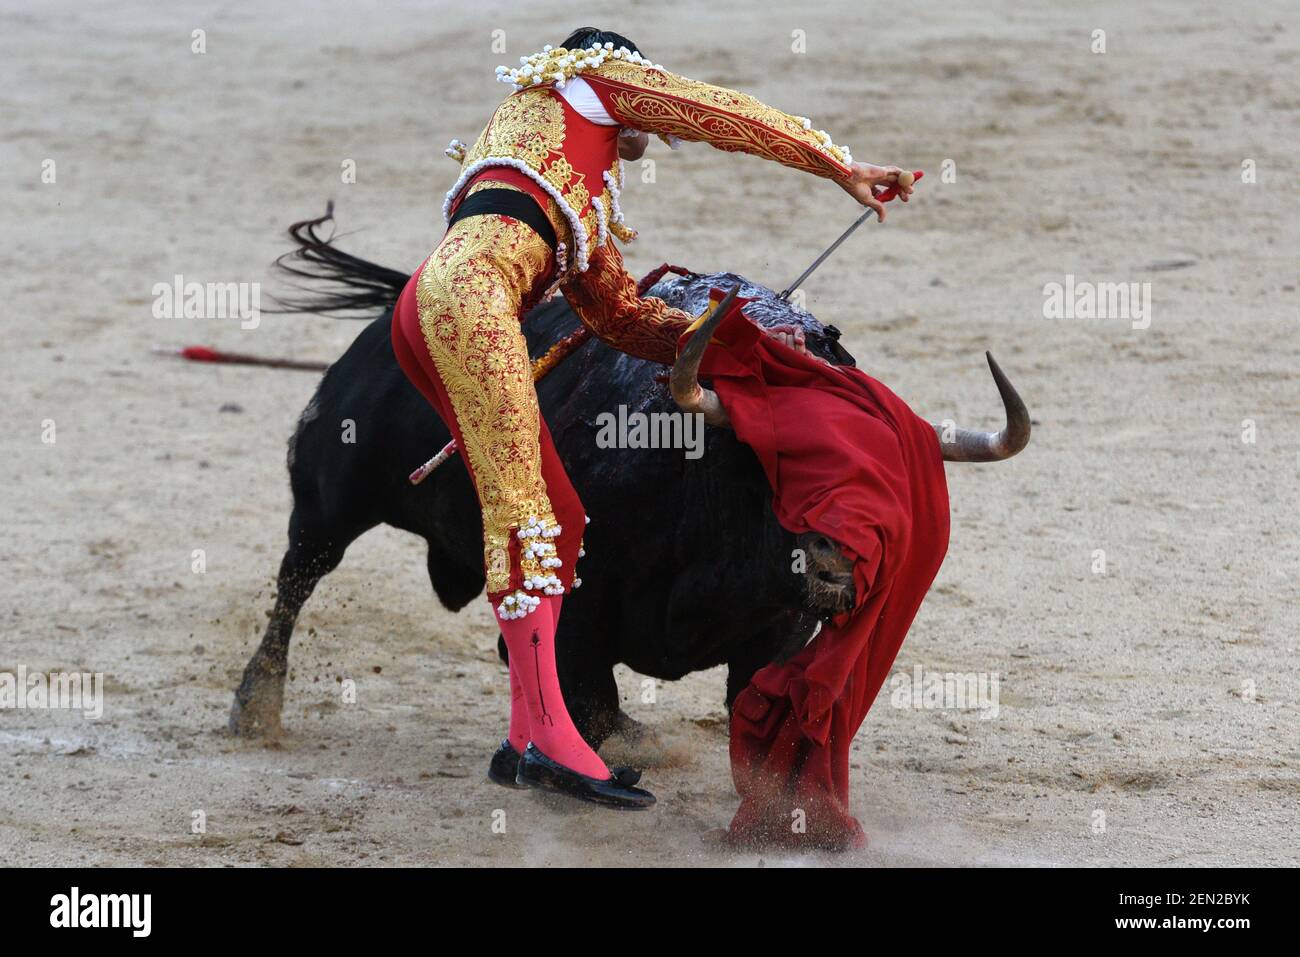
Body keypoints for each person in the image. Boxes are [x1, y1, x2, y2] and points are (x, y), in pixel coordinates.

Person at [389, 27, 914, 809]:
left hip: (439, 304)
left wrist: (731, 340)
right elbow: (717, 112)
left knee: (558, 520)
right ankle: (548, 745)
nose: (653, 125)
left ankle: (524, 733)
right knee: (526, 518)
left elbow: (623, 319)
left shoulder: (569, 180)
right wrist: (841, 167)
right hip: (470, 303)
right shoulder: (594, 79)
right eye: (646, 104)